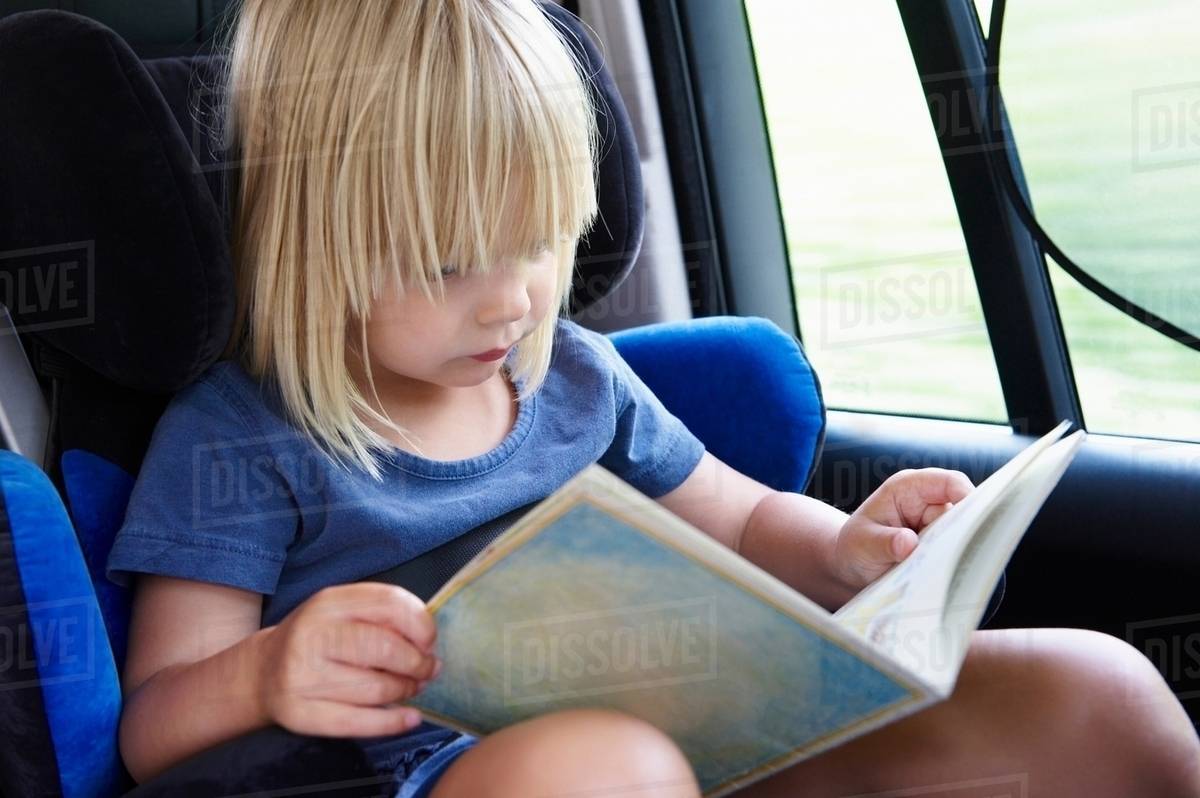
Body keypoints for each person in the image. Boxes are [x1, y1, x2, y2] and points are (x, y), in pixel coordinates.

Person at [105, 1, 1200, 796]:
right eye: (449, 263)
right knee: (611, 769)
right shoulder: (239, 441)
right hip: (431, 774)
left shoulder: (575, 377)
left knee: (1095, 692)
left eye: (539, 241)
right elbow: (151, 728)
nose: (511, 302)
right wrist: (269, 672)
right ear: (314, 246)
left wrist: (846, 551)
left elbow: (745, 522)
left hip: (698, 733)